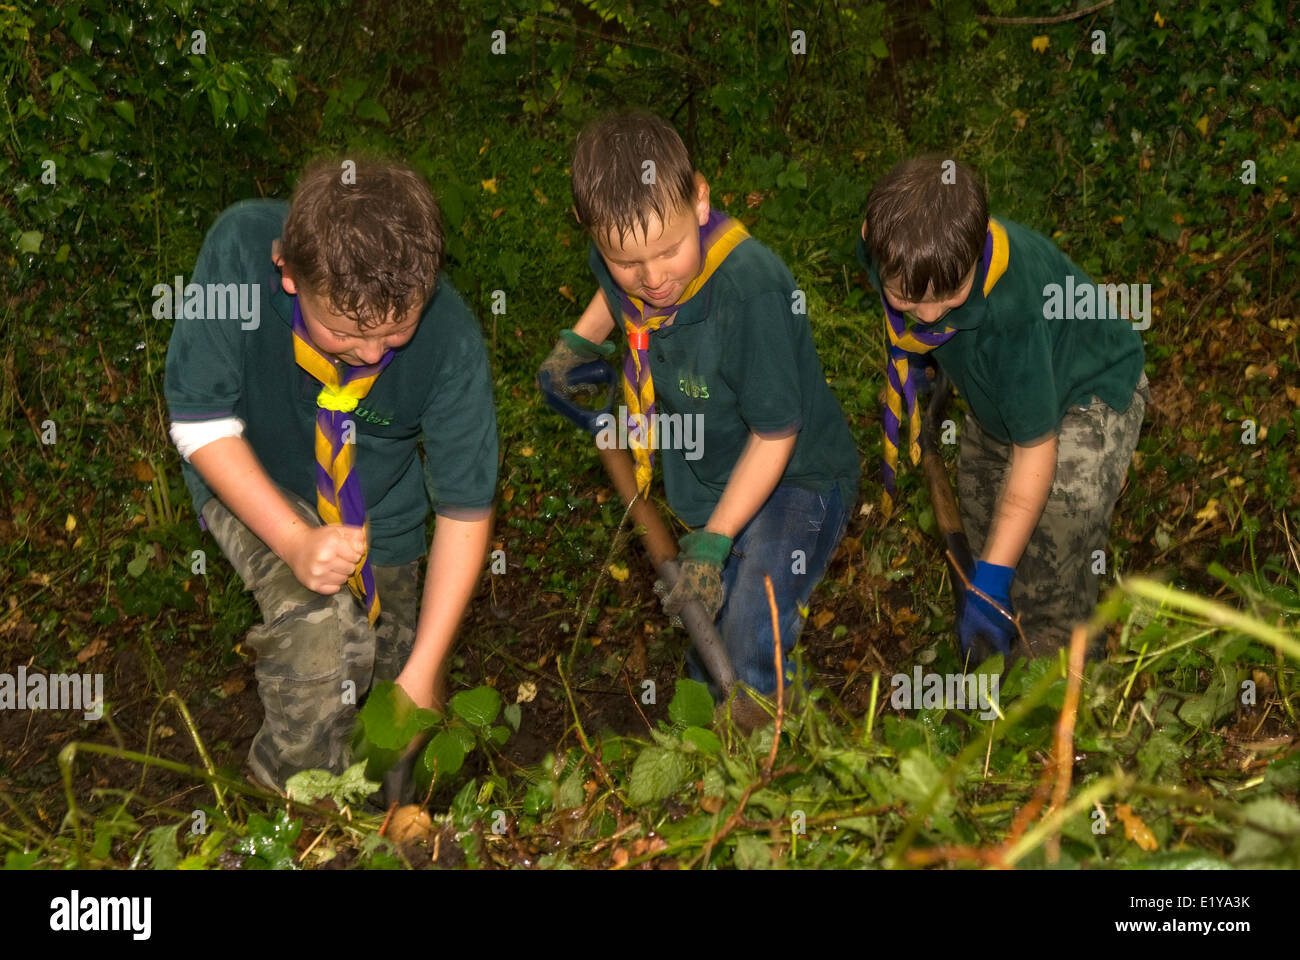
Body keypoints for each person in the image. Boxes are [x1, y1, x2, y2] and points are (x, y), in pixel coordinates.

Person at [163, 156, 497, 793]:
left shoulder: (451, 340)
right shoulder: (240, 253)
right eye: (344, 332)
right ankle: (294, 819)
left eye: (397, 330)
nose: (372, 354)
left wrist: (425, 669)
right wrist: (294, 542)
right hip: (250, 474)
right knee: (321, 637)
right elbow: (198, 422)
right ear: (288, 271)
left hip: (381, 511)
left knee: (401, 705)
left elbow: (465, 507)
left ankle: (390, 828)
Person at [540, 110, 860, 716]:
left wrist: (714, 541)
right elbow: (617, 296)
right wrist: (577, 346)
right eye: (627, 262)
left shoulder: (750, 291)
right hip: (710, 476)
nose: (652, 279)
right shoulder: (626, 257)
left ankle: (760, 764)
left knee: (747, 630)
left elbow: (776, 433)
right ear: (593, 232)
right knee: (704, 624)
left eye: (668, 251)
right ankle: (714, 731)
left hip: (796, 477)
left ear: (701, 199)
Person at [857, 155, 1147, 660]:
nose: (927, 313)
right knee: (986, 530)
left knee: (1053, 537)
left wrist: (990, 582)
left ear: (974, 252)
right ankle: (1002, 645)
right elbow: (920, 307)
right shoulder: (885, 245)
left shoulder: (1013, 313)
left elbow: (1034, 452)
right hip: (1004, 396)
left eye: (949, 294)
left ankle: (1062, 675)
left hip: (1088, 390)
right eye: (906, 295)